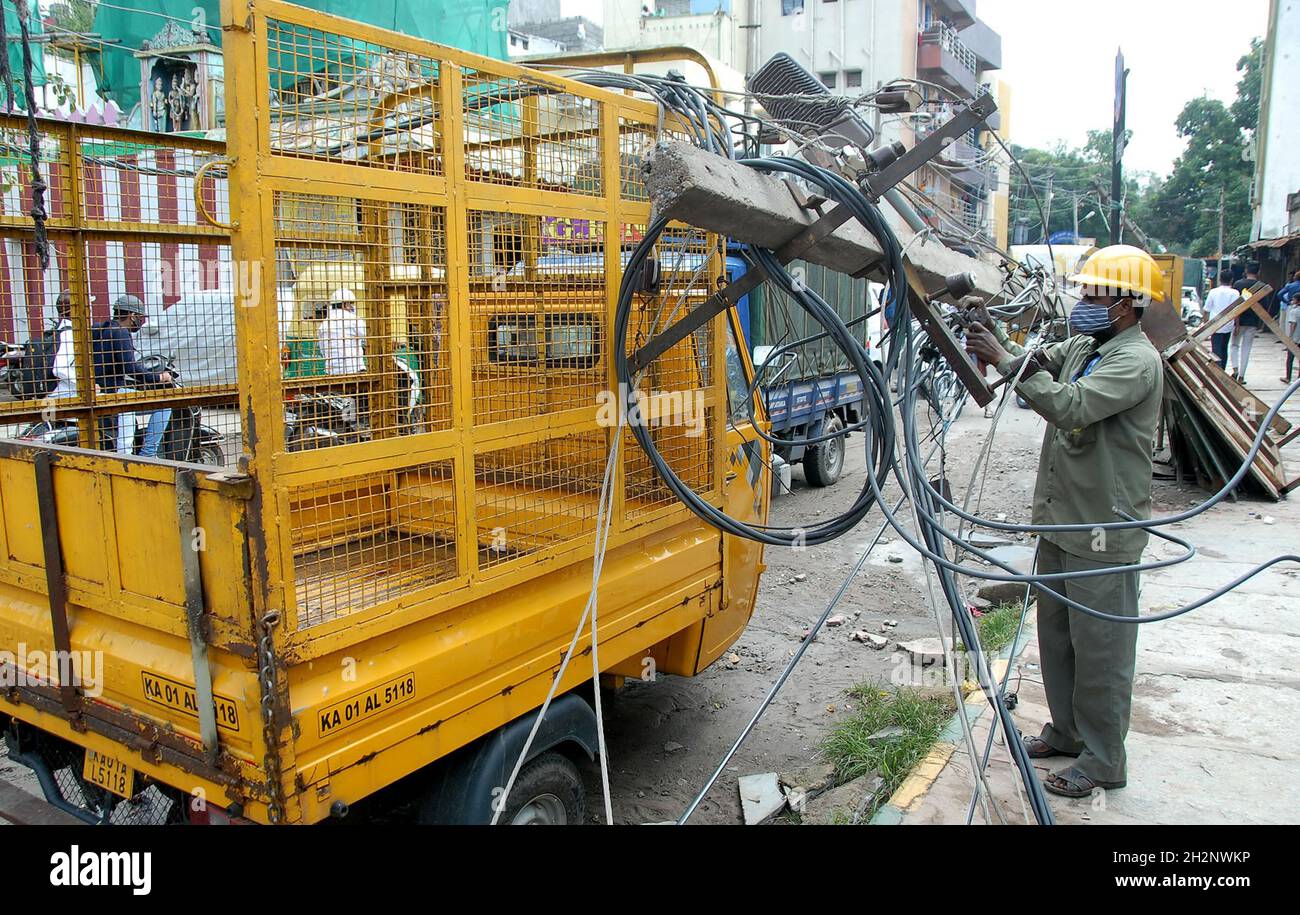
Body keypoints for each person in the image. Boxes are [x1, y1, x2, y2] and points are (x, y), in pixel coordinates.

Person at [963, 244, 1164, 799]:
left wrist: (1003, 361)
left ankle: (1104, 760)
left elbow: (1072, 406)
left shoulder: (1134, 360)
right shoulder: (1086, 345)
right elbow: (1039, 361)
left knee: (1101, 649)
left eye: (1093, 294)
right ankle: (1068, 732)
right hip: (1063, 522)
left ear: (1124, 305)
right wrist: (996, 335)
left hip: (1104, 528)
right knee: (1058, 639)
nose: (1083, 302)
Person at [91, 295, 174, 457]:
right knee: (165, 405)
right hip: (113, 392)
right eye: (139, 318)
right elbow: (131, 367)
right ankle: (148, 453)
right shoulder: (121, 333)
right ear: (132, 316)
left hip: (100, 389)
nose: (140, 322)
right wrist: (158, 378)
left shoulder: (100, 329)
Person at [1230, 262, 1268, 382]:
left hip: (1238, 320)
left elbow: (1234, 304)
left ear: (1246, 270)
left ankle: (1235, 369)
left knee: (1234, 345)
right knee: (1246, 348)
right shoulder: (1262, 286)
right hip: (1252, 322)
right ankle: (1242, 375)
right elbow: (1265, 306)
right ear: (1259, 271)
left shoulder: (1238, 284)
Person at [317, 288, 367, 375]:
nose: (352, 306)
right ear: (345, 304)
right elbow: (368, 336)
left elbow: (323, 351)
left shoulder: (324, 324)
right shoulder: (354, 320)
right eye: (351, 303)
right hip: (354, 370)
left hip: (331, 372)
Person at [1202, 271, 1238, 371]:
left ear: (1220, 279)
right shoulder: (1235, 293)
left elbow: (1206, 310)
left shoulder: (1213, 292)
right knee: (1224, 348)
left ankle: (1217, 370)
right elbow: (1237, 310)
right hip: (1228, 324)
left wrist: (1205, 324)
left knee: (1216, 349)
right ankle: (1222, 369)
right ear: (1231, 280)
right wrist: (1237, 325)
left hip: (1215, 325)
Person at [49, 289, 78, 399]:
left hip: (65, 392)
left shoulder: (59, 330)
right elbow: (59, 368)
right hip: (66, 393)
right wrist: (84, 383)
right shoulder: (69, 334)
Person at [1278, 269, 1300, 383]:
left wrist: (1286, 302)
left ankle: (1288, 377)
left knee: (1290, 356)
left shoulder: (1290, 286)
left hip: (1291, 310)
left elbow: (1280, 294)